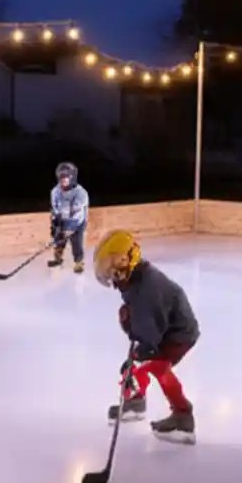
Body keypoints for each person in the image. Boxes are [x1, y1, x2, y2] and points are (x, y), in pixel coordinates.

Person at [93, 229, 199, 443]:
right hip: (162, 326)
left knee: (156, 366)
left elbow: (150, 334)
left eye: (115, 262)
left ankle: (183, 417)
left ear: (129, 258)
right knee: (137, 361)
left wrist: (139, 352)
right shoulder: (133, 277)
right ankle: (135, 400)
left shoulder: (147, 289)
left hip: (178, 333)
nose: (112, 270)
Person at [48, 162, 90, 274]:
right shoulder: (55, 192)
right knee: (58, 240)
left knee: (76, 243)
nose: (63, 180)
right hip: (62, 220)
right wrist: (55, 224)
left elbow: (75, 212)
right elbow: (55, 208)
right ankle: (58, 258)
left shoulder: (81, 193)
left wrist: (70, 228)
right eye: (61, 177)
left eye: (66, 177)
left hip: (77, 222)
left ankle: (78, 262)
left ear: (72, 177)